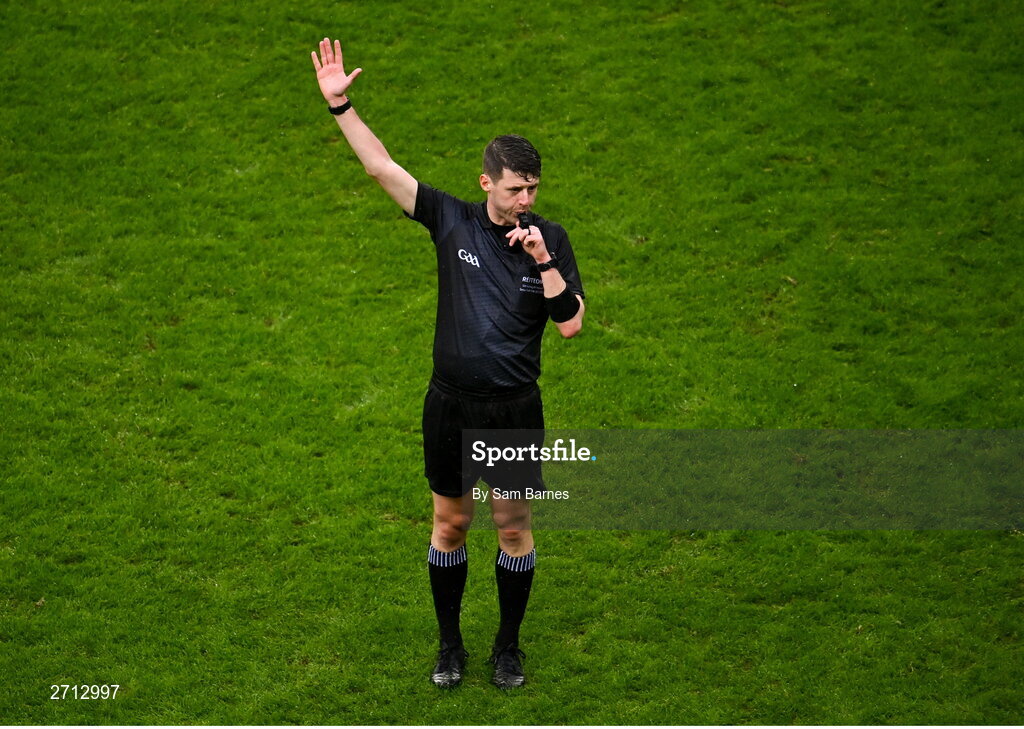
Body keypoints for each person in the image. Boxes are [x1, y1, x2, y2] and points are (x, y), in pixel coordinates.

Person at [311, 38, 585, 689]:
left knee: (512, 528)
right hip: (451, 405)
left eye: (533, 188)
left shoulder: (550, 240)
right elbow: (382, 168)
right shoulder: (452, 221)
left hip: (513, 409)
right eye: (515, 188)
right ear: (486, 182)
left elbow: (570, 321)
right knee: (451, 523)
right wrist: (341, 106)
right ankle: (450, 646)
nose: (525, 199)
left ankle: (508, 648)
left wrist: (542, 258)